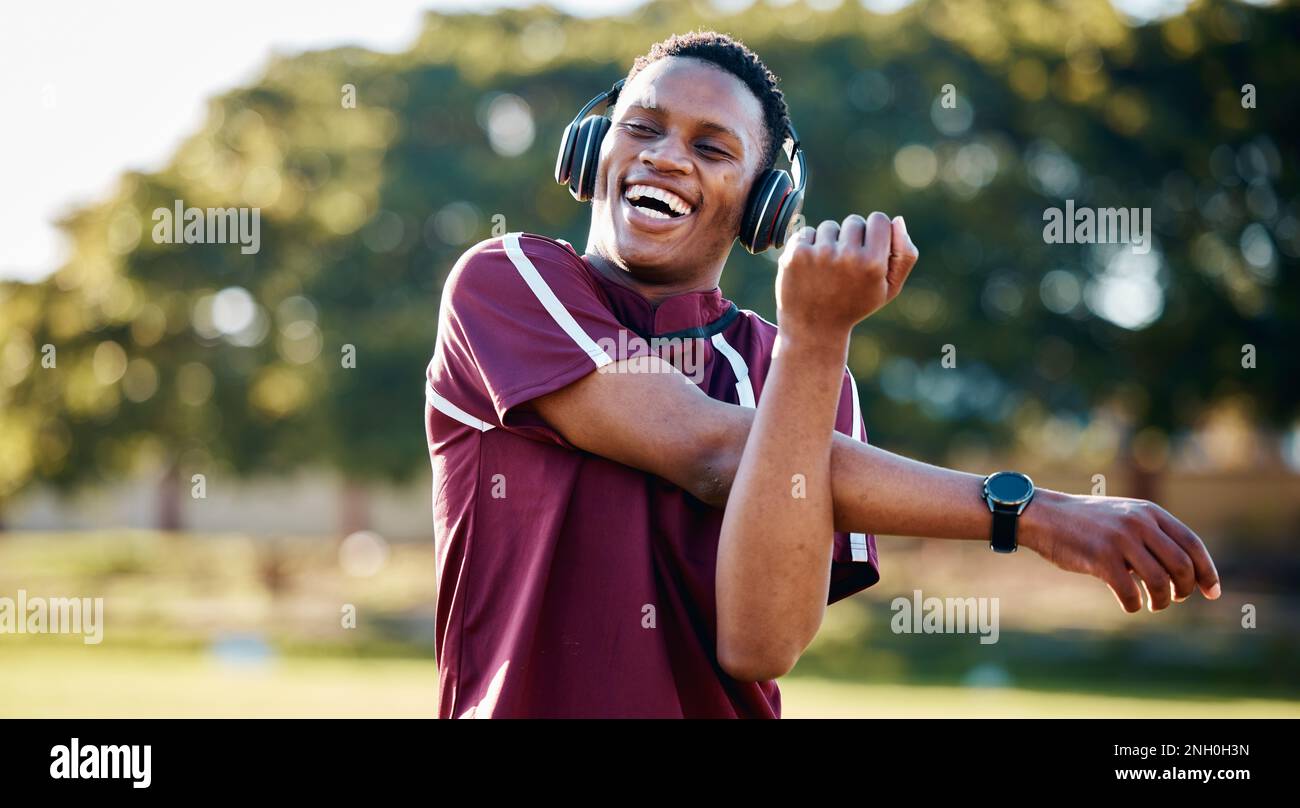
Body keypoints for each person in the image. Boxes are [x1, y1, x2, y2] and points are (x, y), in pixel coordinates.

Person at [423, 31, 1220, 718]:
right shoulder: (506, 279)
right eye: (643, 127)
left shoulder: (801, 369)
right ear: (593, 146)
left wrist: (815, 340)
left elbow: (758, 644)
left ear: (764, 203)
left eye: (712, 147)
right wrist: (1033, 514)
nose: (664, 156)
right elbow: (712, 451)